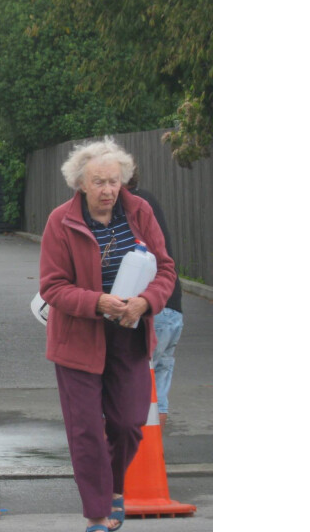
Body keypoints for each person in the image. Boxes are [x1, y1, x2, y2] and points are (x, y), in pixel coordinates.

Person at [39, 137, 176, 532]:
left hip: (129, 335)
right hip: (78, 340)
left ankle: (114, 486)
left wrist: (145, 302)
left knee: (129, 424)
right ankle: (98, 513)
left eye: (115, 181)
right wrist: (97, 302)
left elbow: (166, 270)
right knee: (85, 431)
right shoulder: (60, 221)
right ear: (81, 183)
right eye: (99, 182)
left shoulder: (139, 212)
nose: (108, 190)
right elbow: (52, 286)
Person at [125, 170, 184, 429]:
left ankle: (139, 444)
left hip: (150, 306)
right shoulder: (149, 201)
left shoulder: (131, 209)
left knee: (135, 378)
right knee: (160, 376)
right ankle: (156, 442)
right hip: (173, 305)